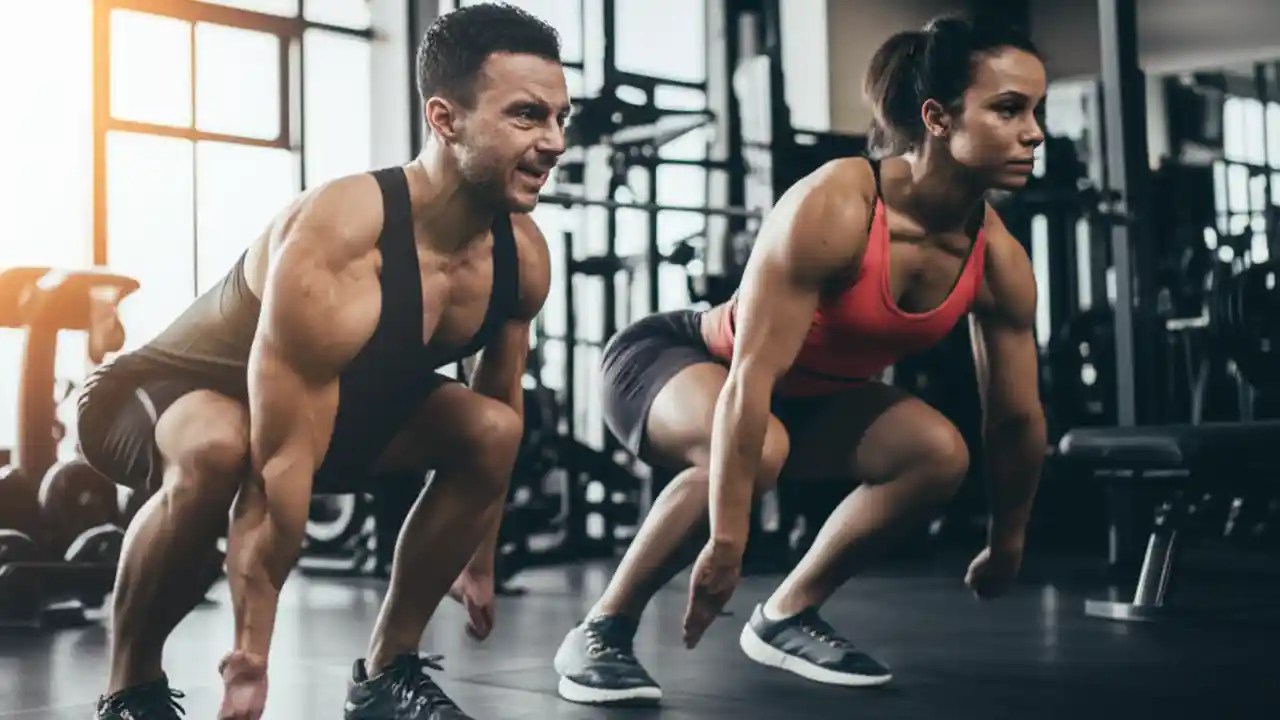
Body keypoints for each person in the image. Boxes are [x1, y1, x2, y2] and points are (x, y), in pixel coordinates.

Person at [76, 5, 568, 719]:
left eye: (561, 117)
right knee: (220, 446)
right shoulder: (341, 237)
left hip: (332, 402)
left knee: (490, 430)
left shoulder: (521, 259)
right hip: (166, 390)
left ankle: (384, 673)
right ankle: (131, 686)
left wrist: (481, 555)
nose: (553, 141)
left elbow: (502, 406)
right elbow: (278, 464)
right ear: (445, 118)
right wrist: (252, 654)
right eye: (527, 116)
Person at [553, 15, 1048, 705]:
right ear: (936, 117)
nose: (1034, 133)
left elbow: (1016, 419)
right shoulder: (839, 203)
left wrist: (1009, 538)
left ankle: (787, 612)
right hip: (676, 361)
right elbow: (750, 379)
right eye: (1009, 109)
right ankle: (602, 628)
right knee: (761, 450)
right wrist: (728, 542)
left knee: (938, 453)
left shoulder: (999, 260)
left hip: (806, 396)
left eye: (1036, 110)